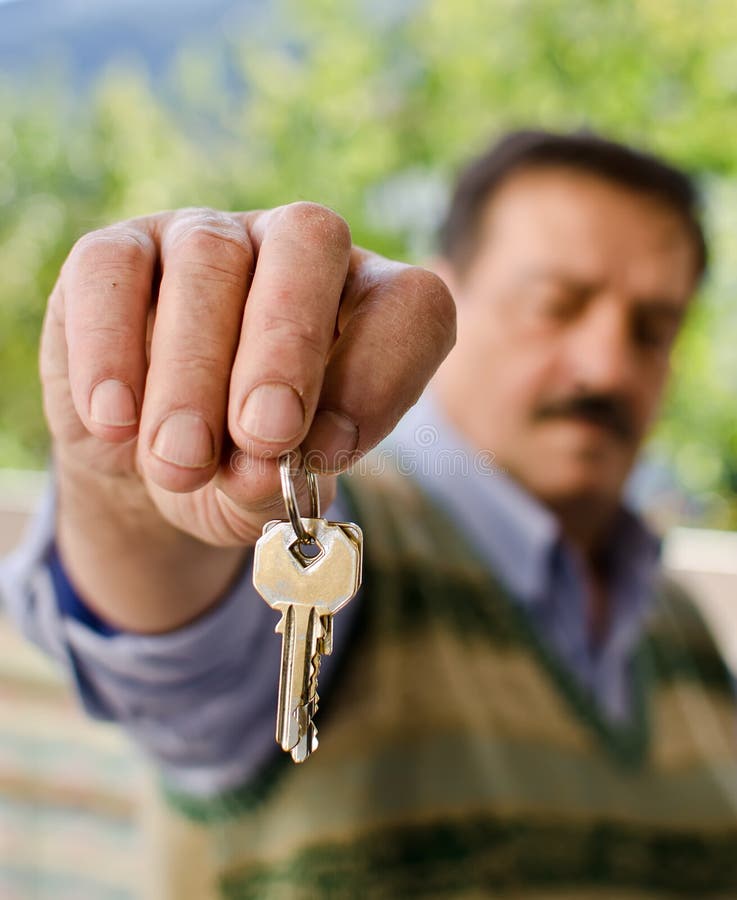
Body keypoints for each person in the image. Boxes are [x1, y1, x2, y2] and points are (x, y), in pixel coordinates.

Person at [2, 129, 736, 899]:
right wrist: (134, 492)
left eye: (652, 329)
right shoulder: (340, 526)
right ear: (450, 290)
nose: (607, 365)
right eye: (555, 304)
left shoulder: (675, 618)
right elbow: (176, 634)